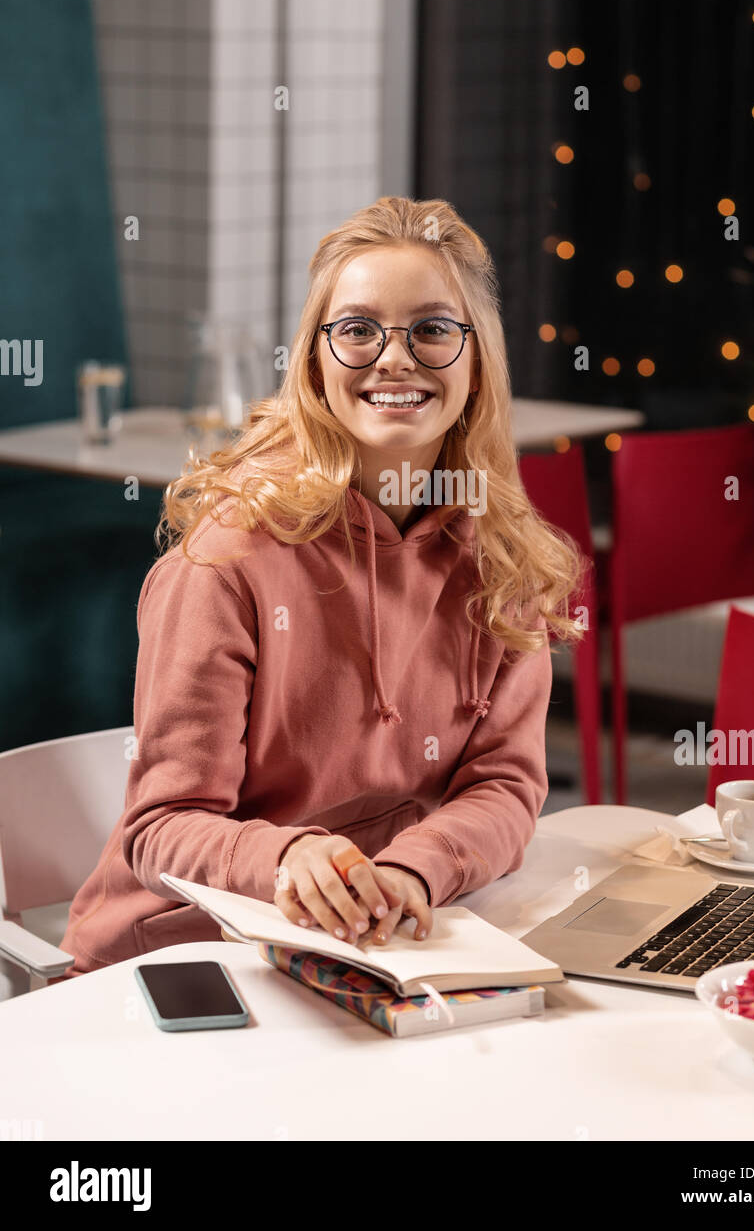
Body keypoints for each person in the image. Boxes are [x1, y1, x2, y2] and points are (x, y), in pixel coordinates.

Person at [55, 196, 584, 979]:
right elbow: (163, 824)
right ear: (315, 363)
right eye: (358, 329)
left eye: (433, 330)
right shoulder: (227, 563)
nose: (394, 358)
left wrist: (416, 868)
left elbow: (505, 785)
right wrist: (285, 858)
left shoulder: (500, 559)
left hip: (370, 944)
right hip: (185, 960)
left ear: (476, 368)